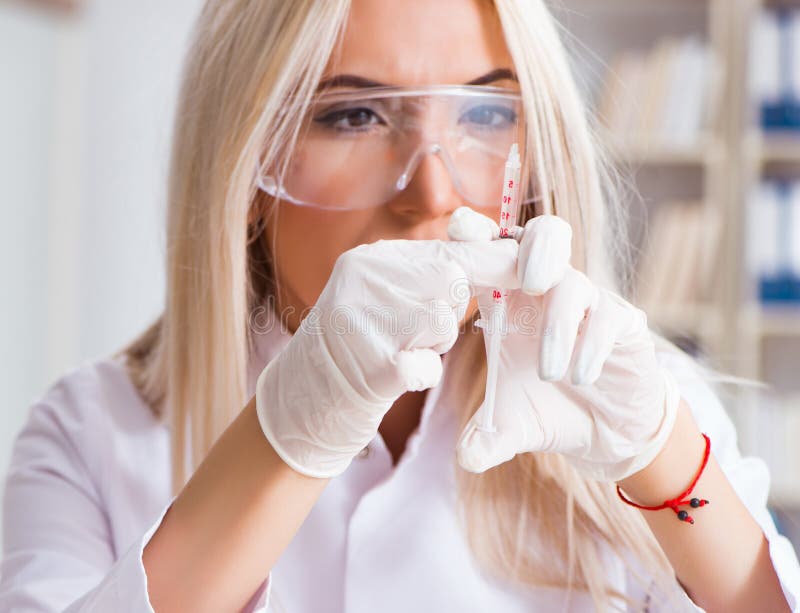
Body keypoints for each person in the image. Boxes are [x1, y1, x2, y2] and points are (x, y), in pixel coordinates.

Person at [2, 0, 799, 611]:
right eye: (354, 115)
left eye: (485, 113)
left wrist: (664, 460)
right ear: (245, 167)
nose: (434, 191)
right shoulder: (89, 434)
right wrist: (283, 440)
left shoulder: (636, 402)